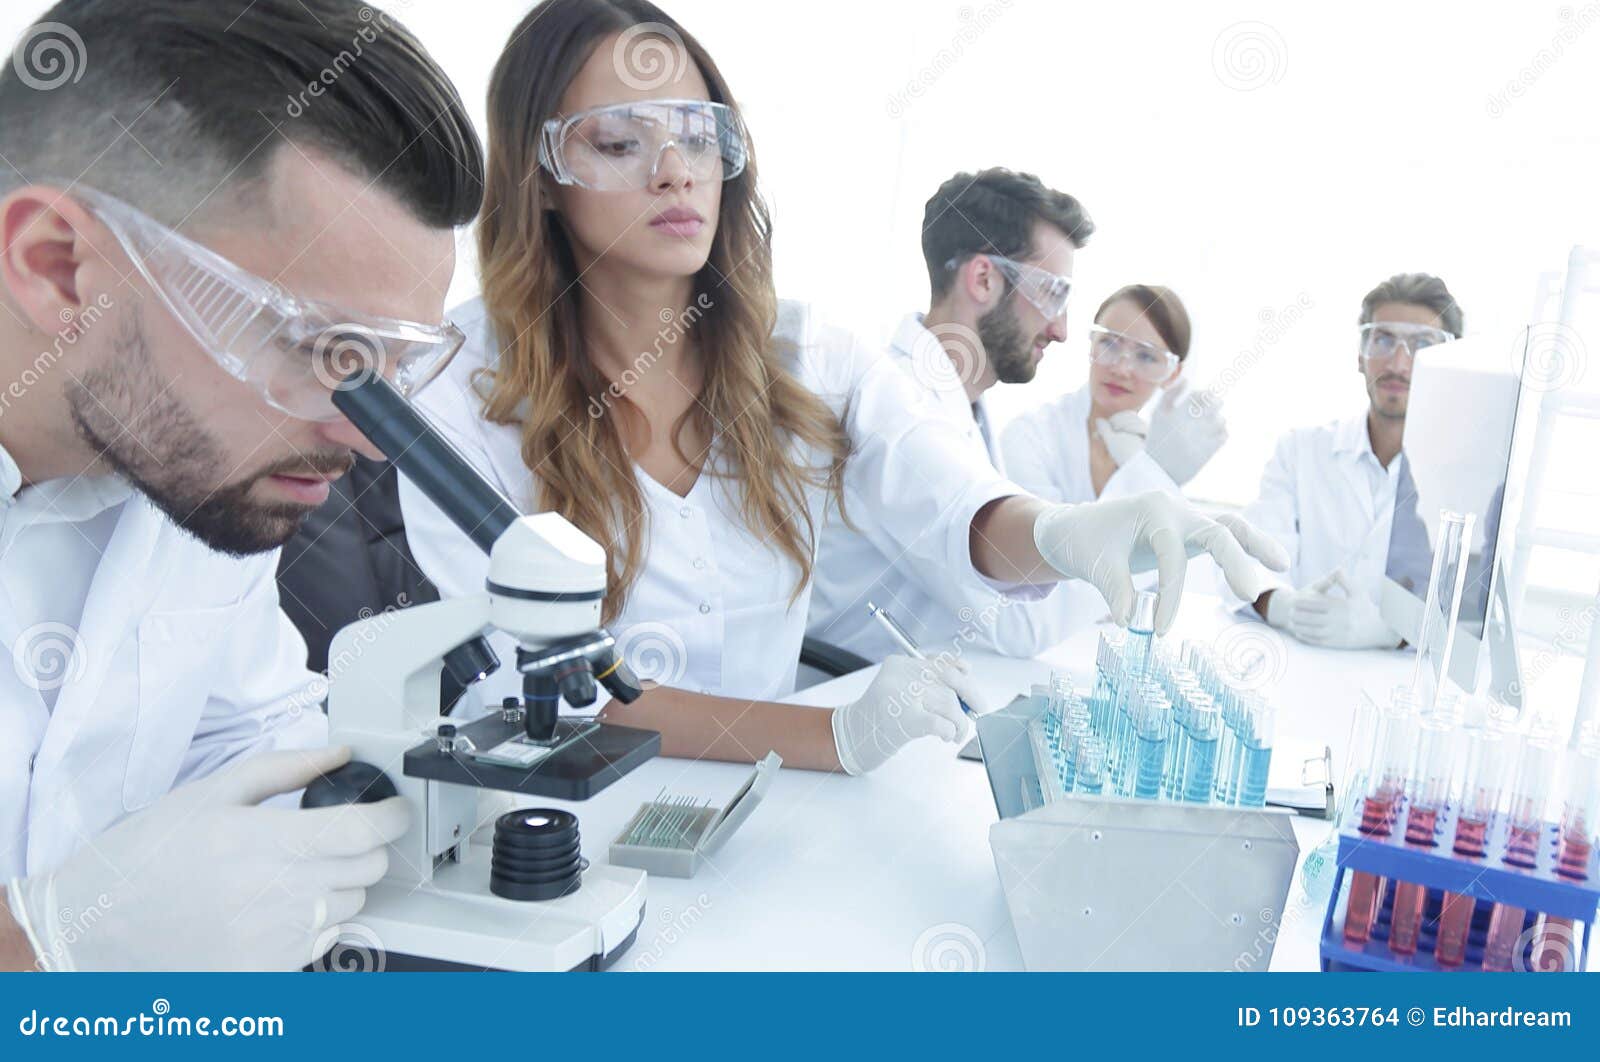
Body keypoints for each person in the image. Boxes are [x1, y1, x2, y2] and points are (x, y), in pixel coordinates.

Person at [398, 0, 1287, 778]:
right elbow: (547, 693)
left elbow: (948, 501)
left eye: (699, 135)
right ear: (542, 175)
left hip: (772, 814)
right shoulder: (457, 390)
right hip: (562, 832)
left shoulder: (807, 353)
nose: (675, 170)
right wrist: (833, 737)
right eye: (622, 142)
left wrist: (1065, 533)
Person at [0, 0, 483, 970]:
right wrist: (44, 950)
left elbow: (246, 729)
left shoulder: (187, 468)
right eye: (319, 348)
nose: (367, 441)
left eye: (392, 366)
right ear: (59, 268)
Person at [807, 168, 1103, 661]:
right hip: (852, 693)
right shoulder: (897, 407)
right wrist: (1132, 525)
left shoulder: (965, 408)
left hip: (924, 681)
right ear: (984, 279)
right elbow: (1016, 623)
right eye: (1053, 293)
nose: (1061, 330)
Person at [1228, 273, 1462, 649]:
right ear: (1360, 355)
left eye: (1422, 344)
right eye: (1383, 339)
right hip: (1299, 663)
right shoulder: (1301, 450)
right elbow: (1247, 561)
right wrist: (1285, 606)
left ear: (1449, 363)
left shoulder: (1467, 478)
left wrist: (1391, 632)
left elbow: (1473, 618)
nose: (1399, 363)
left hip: (1397, 679)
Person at [1000, 284, 1220, 503]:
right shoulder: (1030, 435)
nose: (1121, 369)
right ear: (1092, 343)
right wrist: (1153, 475)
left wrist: (1155, 473)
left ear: (1172, 374)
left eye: (1146, 356)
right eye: (1109, 344)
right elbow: (1046, 526)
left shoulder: (1159, 449)